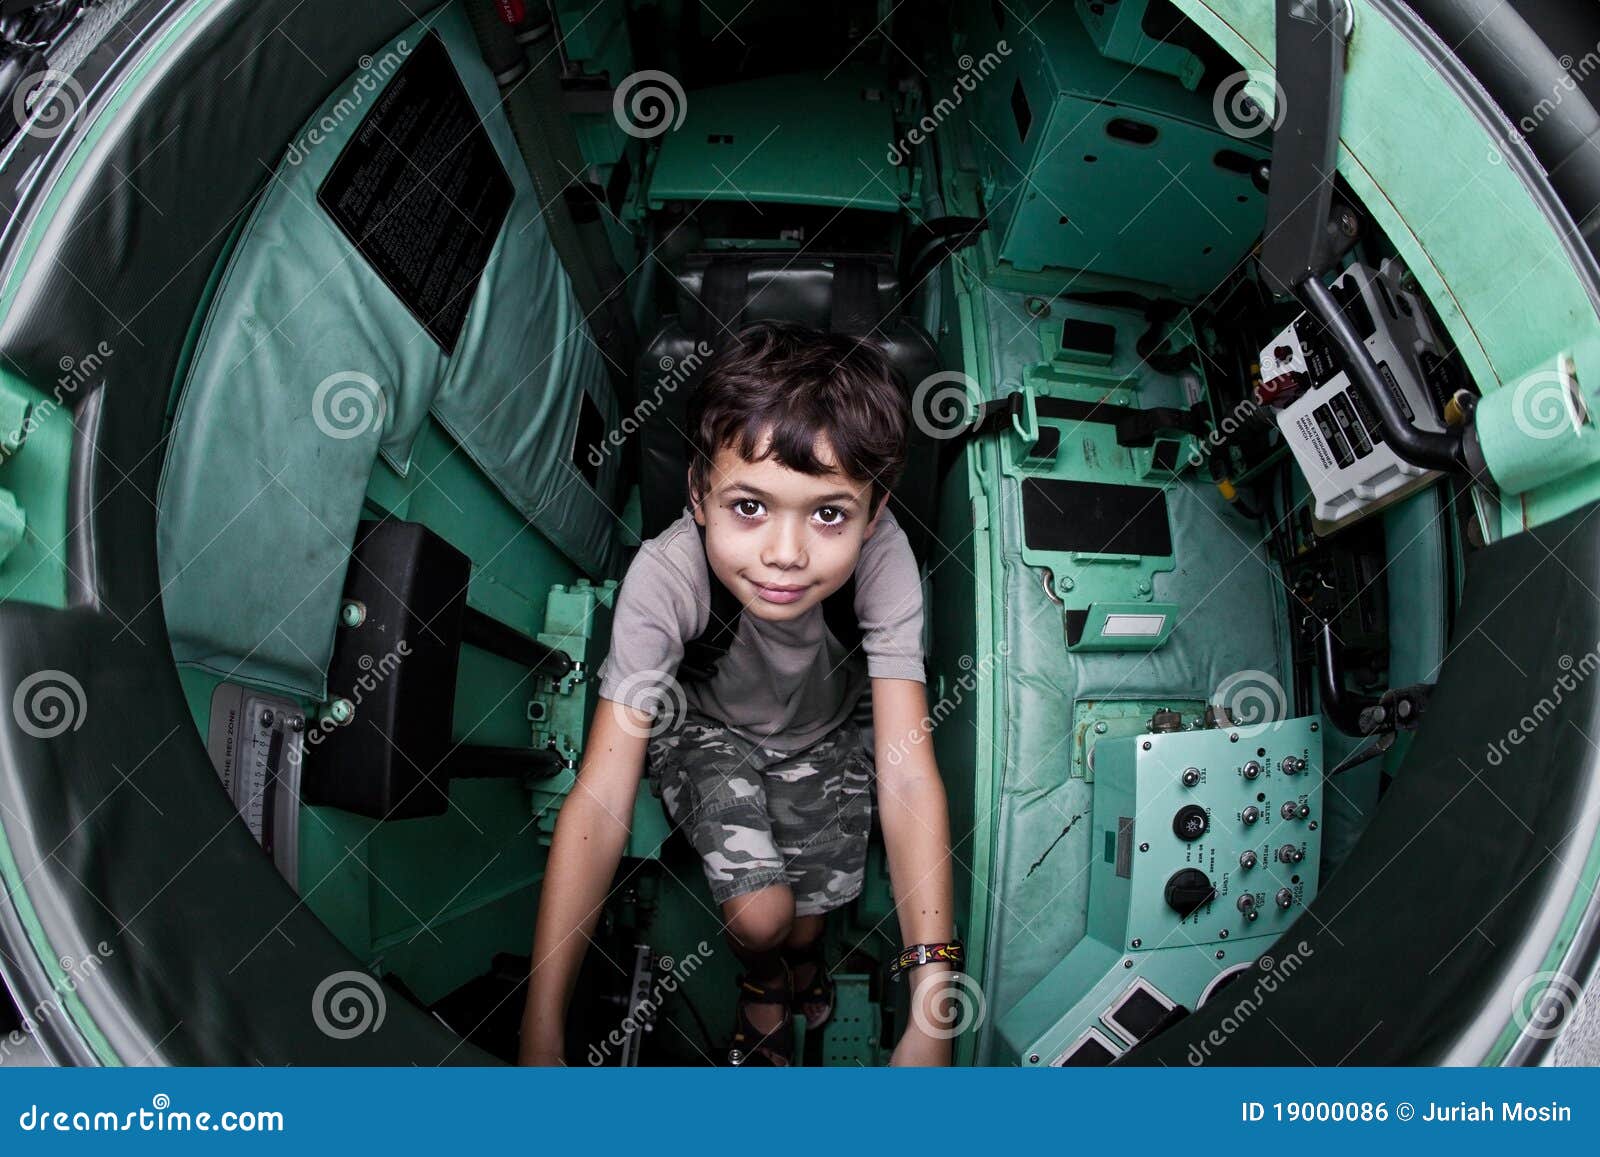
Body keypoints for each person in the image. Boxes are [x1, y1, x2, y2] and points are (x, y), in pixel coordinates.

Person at [519, 320, 960, 1066]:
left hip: (824, 730)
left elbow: (910, 771)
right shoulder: (665, 577)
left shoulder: (886, 563)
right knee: (763, 920)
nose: (784, 555)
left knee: (811, 925)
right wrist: (541, 1029)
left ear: (874, 511)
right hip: (707, 729)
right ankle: (763, 984)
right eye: (748, 506)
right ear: (698, 493)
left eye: (827, 513)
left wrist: (931, 1008)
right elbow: (599, 798)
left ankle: (802, 969)